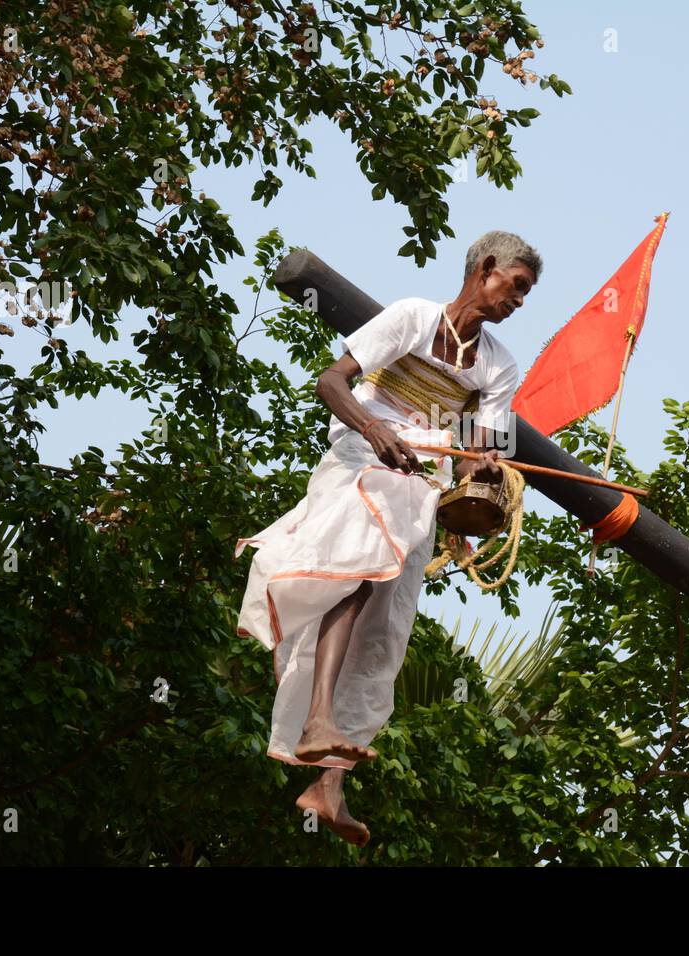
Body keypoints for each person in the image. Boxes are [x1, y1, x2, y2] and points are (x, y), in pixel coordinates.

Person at [235, 230, 542, 846]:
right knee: (358, 570)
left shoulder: (498, 364)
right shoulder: (411, 317)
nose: (518, 302)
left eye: (525, 294)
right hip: (360, 461)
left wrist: (481, 470)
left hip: (418, 487)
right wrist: (376, 431)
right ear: (485, 268)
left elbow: (474, 452)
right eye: (516, 286)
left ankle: (328, 784)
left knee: (384, 634)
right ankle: (317, 719)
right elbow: (331, 382)